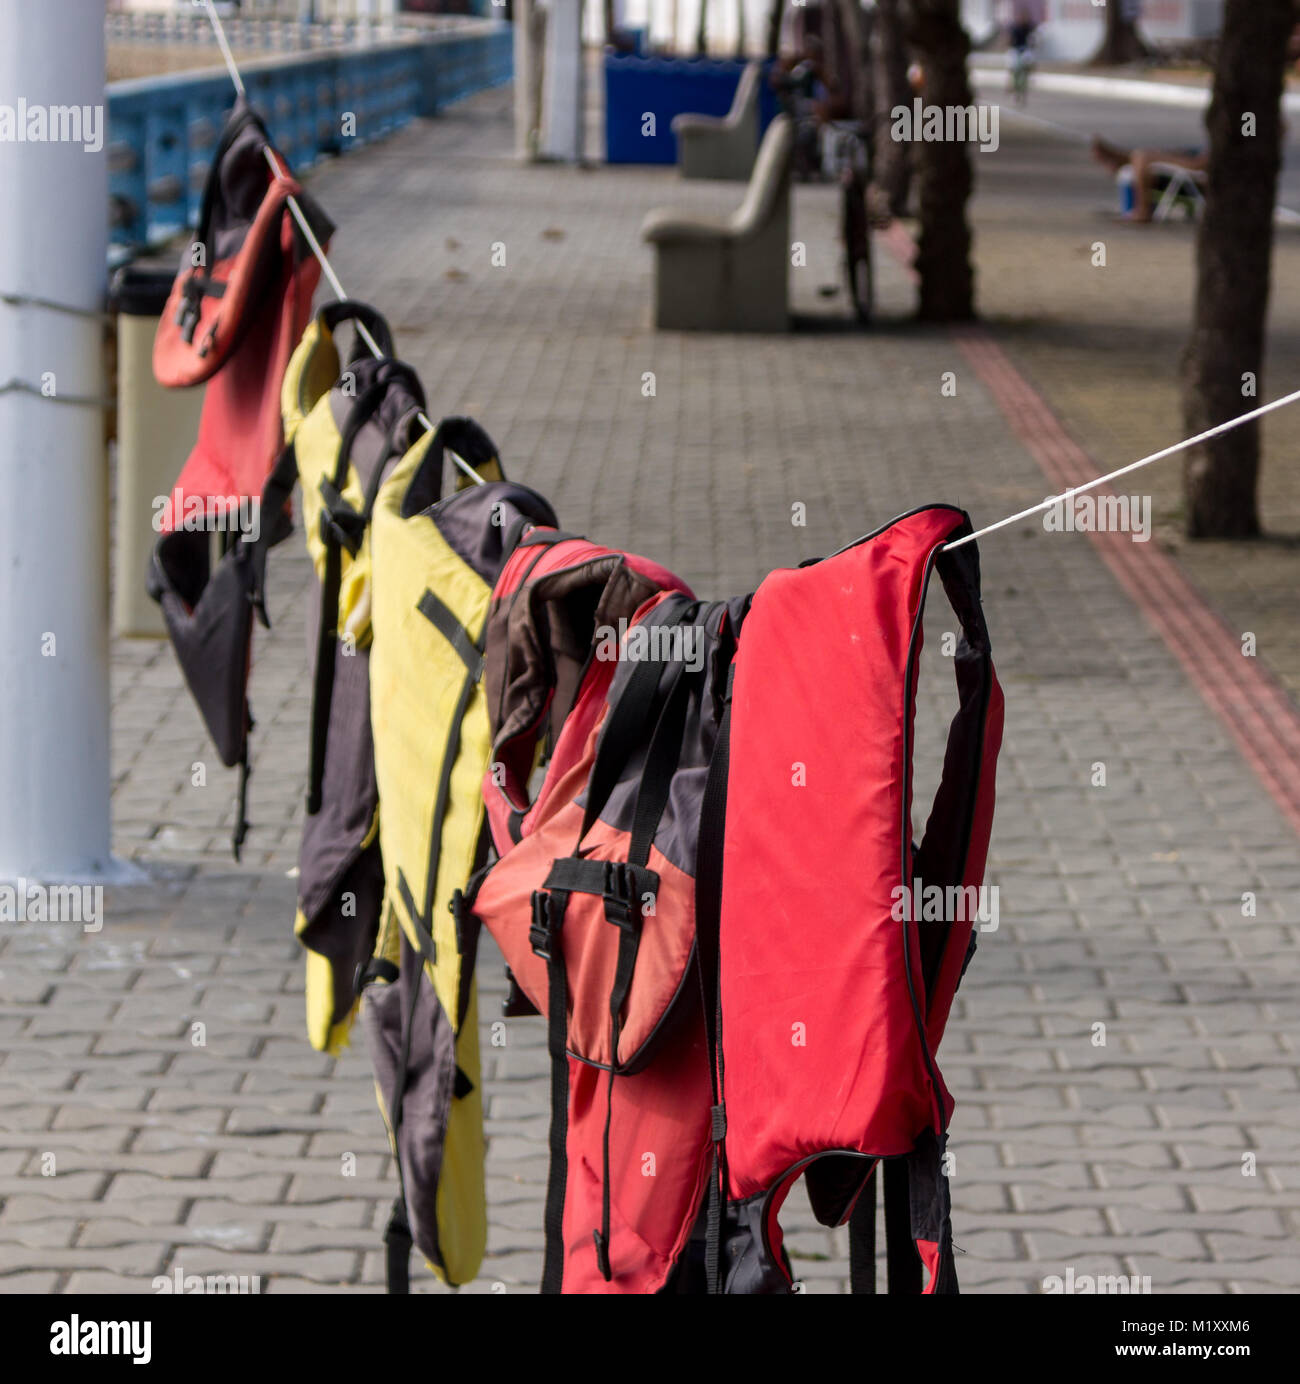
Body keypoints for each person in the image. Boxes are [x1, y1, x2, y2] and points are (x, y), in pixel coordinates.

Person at [1090, 135, 1208, 223]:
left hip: (1197, 180)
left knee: (1142, 157)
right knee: (1144, 157)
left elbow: (1202, 164)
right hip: (1194, 170)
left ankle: (1143, 210)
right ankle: (1123, 158)